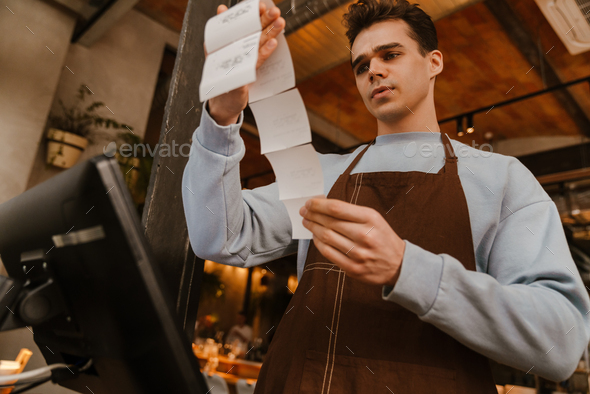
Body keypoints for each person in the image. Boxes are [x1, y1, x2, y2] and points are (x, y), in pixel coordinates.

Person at [182, 0, 590, 392]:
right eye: (361, 65)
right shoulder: (319, 175)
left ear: (434, 62)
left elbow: (560, 343)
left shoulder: (501, 179)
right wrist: (221, 116)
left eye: (390, 54)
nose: (373, 70)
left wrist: (406, 268)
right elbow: (215, 235)